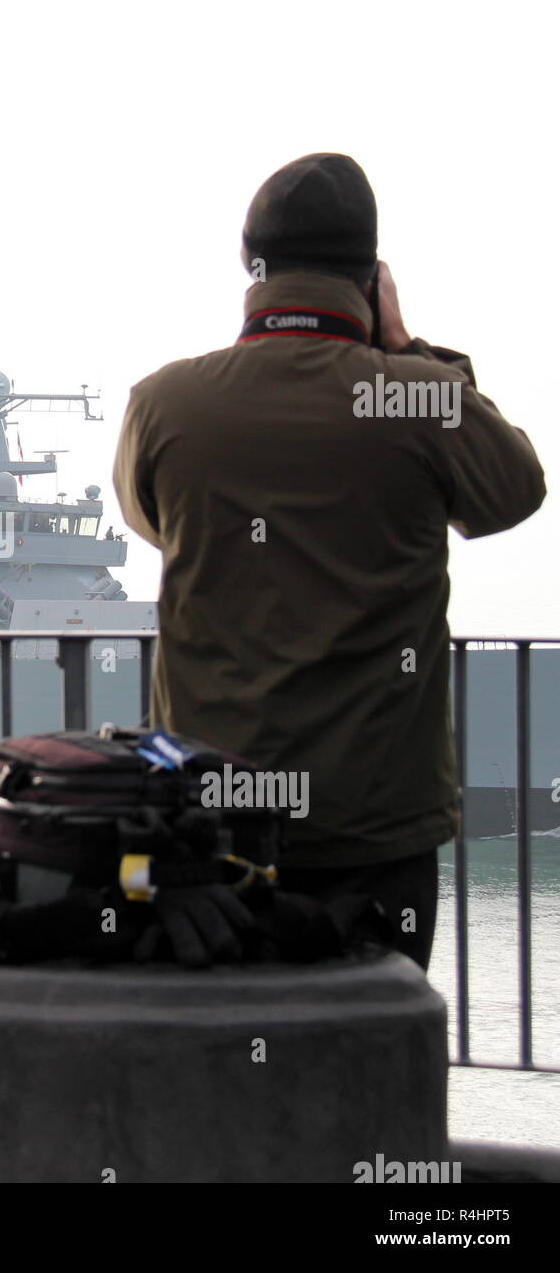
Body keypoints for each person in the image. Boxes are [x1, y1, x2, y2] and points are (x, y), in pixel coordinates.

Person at [112, 154, 545, 969]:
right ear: (371, 277)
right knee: (370, 1055)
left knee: (202, 1056)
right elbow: (513, 493)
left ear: (250, 267)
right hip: (372, 833)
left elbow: (153, 524)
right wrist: (413, 350)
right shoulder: (418, 399)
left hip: (208, 821)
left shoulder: (163, 402)